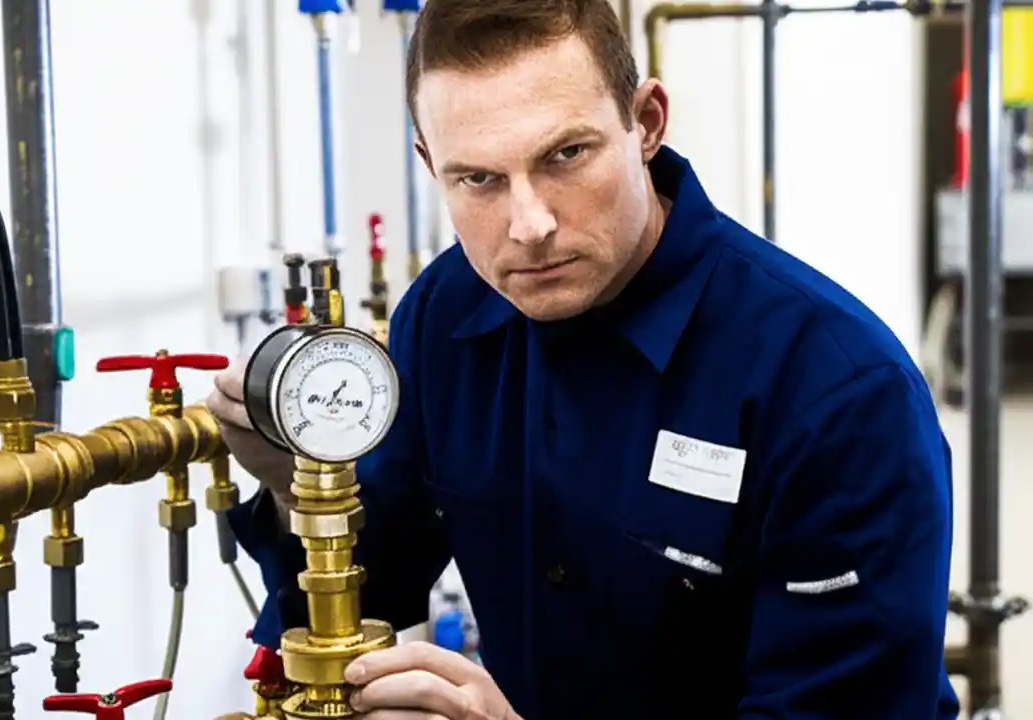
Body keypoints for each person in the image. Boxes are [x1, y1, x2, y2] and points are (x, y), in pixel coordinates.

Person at [207, 1, 959, 717]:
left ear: (647, 123)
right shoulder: (448, 313)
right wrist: (295, 486)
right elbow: (372, 584)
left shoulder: (837, 392)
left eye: (565, 155)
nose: (528, 225)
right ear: (429, 161)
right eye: (478, 179)